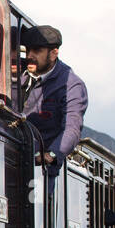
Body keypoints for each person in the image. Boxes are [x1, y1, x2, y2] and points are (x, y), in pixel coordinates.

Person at [20, 25, 88, 179]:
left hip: (41, 170)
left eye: (36, 51)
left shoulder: (72, 85)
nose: (29, 55)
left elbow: (72, 129)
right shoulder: (16, 72)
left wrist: (50, 155)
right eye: (27, 50)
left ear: (53, 53)